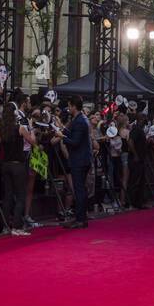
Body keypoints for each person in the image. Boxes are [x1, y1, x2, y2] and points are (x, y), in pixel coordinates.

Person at [0, 100, 30, 234]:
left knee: (8, 195)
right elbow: (32, 141)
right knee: (20, 196)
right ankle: (16, 226)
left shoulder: (2, 129)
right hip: (18, 165)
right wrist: (32, 129)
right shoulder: (20, 128)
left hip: (5, 165)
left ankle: (6, 226)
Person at [61, 95, 92, 229]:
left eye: (69, 106)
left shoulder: (79, 121)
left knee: (79, 190)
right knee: (81, 189)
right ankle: (81, 217)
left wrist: (62, 137)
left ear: (74, 106)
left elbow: (75, 142)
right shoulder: (81, 119)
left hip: (79, 160)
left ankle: (80, 219)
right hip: (83, 159)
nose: (68, 108)